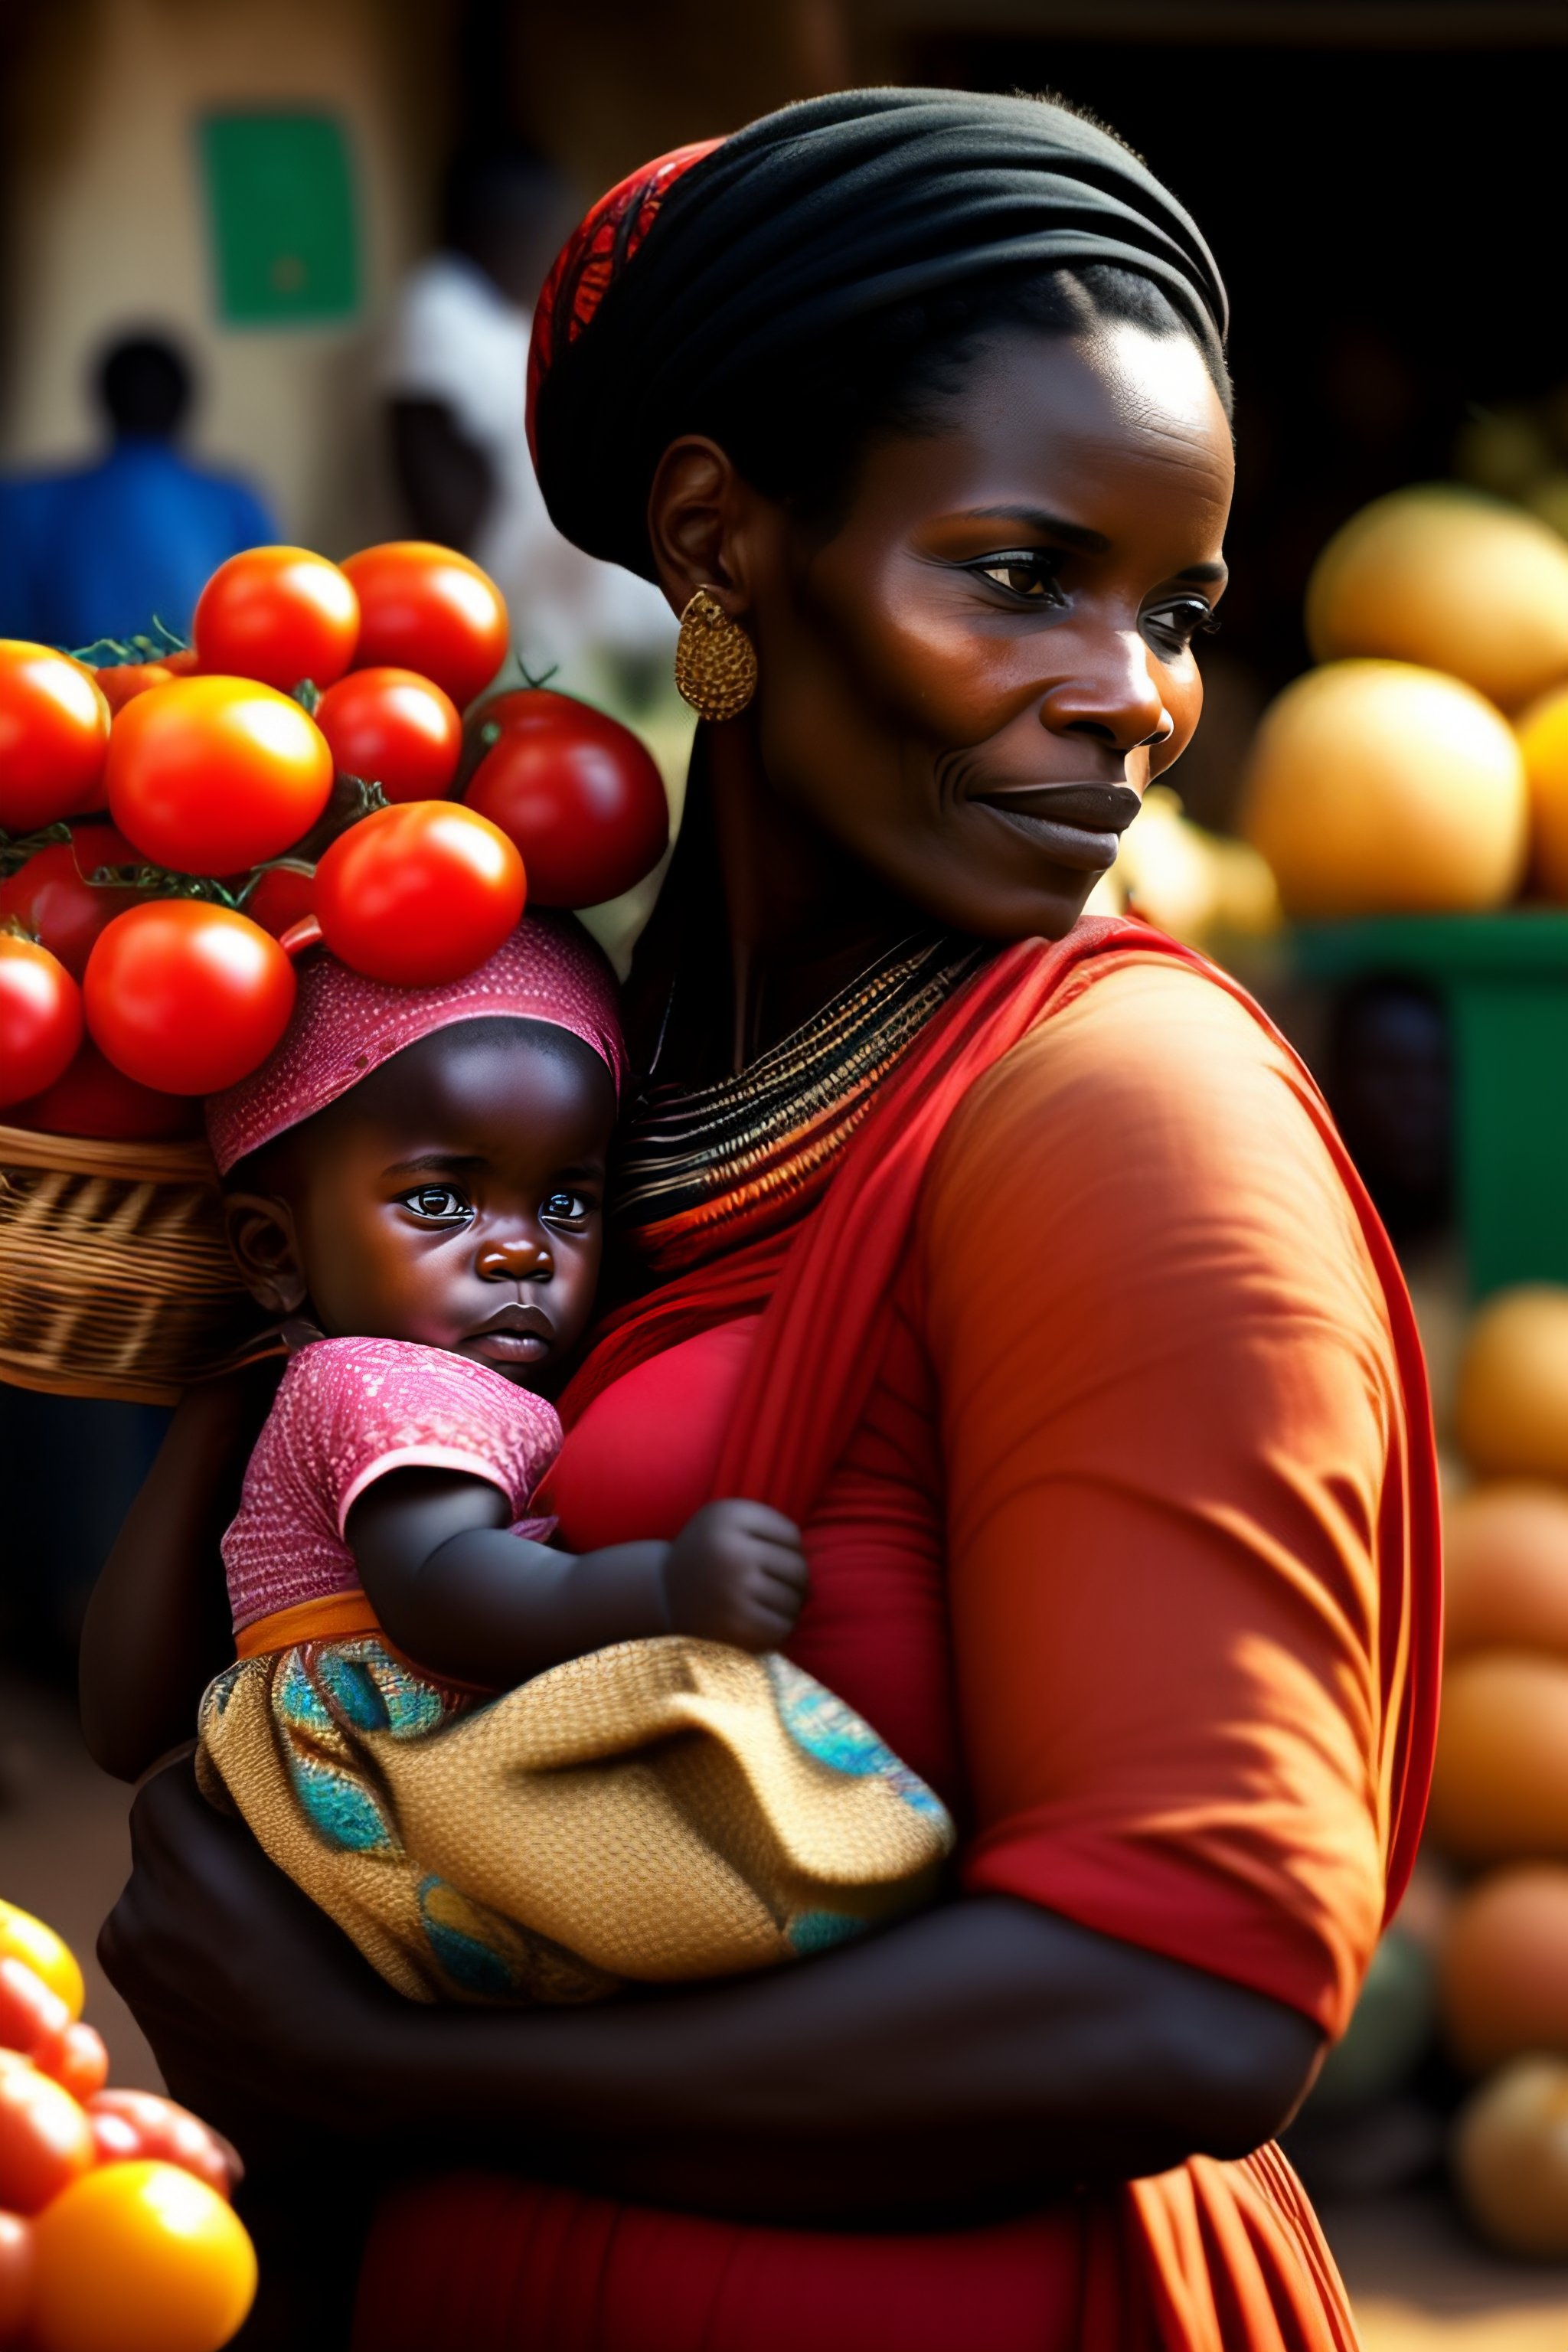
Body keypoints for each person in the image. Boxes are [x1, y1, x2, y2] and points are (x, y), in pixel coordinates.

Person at [87, 90, 1439, 2352]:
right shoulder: (583, 1097)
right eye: (1022, 573)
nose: (1137, 698)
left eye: (1176, 604)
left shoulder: (1121, 1117)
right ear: (717, 545)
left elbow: (1184, 1992)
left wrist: (388, 2074)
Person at [175, 914, 943, 2004]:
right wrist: (662, 1587)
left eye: (567, 1201)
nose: (520, 1246)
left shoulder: (439, 1379)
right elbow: (442, 1590)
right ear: (275, 1251)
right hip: (410, 1755)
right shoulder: (379, 1380)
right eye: (440, 1201)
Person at [381, 147, 676, 707]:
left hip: (567, 623)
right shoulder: (439, 305)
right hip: (502, 615)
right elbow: (440, 495)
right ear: (502, 229)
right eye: (552, 228)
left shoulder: (519, 314)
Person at [0, 333, 276, 648]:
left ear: (103, 401)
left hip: (65, 693)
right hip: (213, 695)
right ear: (186, 404)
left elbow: (11, 641)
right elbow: (271, 623)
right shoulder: (235, 502)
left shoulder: (26, 504)